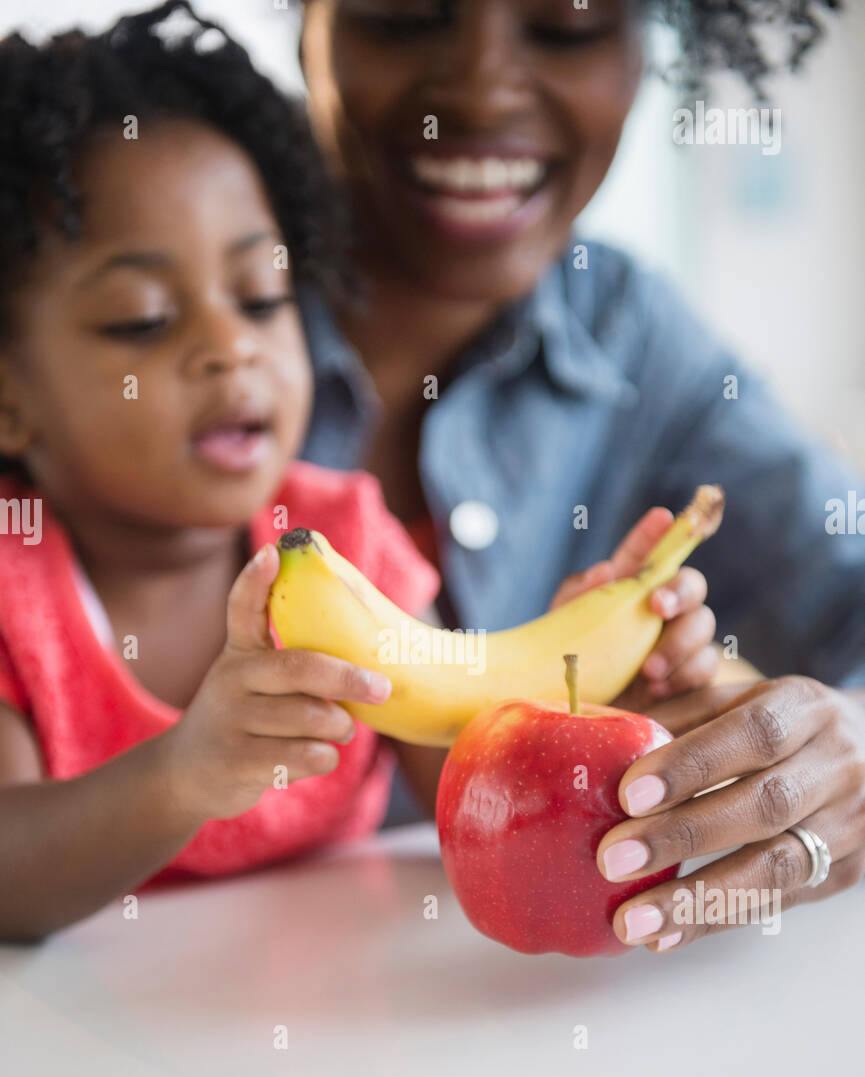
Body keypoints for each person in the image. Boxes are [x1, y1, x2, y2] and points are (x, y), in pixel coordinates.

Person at [0, 3, 714, 940]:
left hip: (333, 1034)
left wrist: (601, 700)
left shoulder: (339, 544)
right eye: (142, 320)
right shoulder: (19, 589)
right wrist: (186, 773)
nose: (231, 350)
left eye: (261, 298)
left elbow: (469, 770)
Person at [294, 0, 865, 951]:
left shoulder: (636, 335)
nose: (481, 89)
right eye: (401, 14)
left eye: (568, 25)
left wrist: (847, 743)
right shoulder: (146, 308)